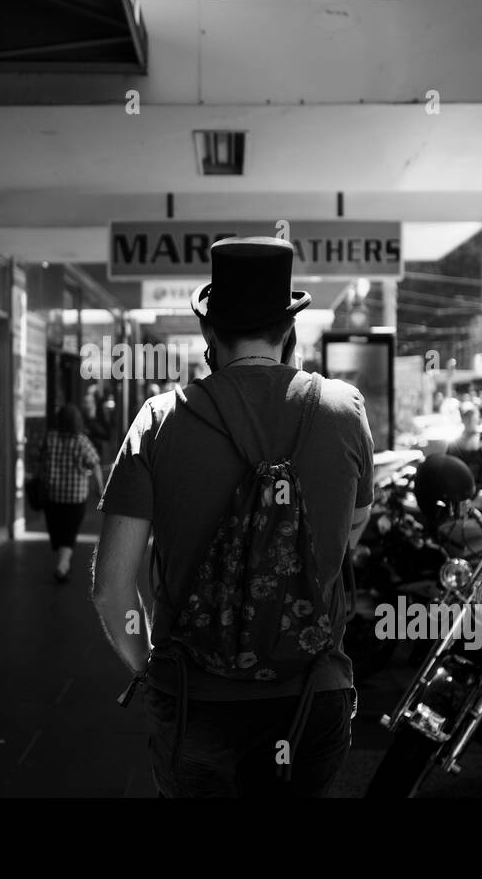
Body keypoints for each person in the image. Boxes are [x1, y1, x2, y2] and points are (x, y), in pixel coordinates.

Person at [91, 237, 374, 798]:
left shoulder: (159, 420)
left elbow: (110, 588)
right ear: (289, 333)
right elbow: (349, 534)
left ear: (208, 336)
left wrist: (149, 669)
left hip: (196, 703)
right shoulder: (344, 410)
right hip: (312, 696)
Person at [41, 403, 104, 582]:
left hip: (53, 495)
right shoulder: (81, 440)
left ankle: (63, 563)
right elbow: (95, 463)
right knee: (69, 532)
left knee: (58, 533)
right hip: (76, 497)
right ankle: (63, 564)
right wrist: (99, 486)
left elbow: (40, 459)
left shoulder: (50, 438)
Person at [445, 401, 482, 490]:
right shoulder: (455, 440)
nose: (469, 421)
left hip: (478, 486)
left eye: (471, 417)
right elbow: (449, 463)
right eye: (466, 417)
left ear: (476, 418)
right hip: (459, 484)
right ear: (462, 419)